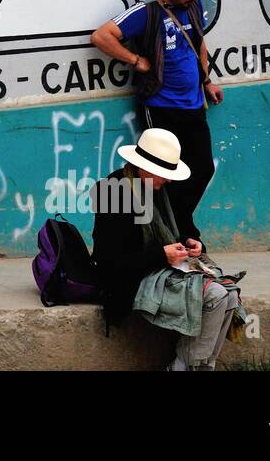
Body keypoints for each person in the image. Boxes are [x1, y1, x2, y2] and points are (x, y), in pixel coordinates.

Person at [90, 0, 222, 242]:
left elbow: (198, 42)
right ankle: (176, 233)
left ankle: (175, 225)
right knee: (161, 172)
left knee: (201, 169)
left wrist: (207, 80)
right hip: (161, 107)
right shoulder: (146, 13)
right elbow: (101, 36)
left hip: (194, 105)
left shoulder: (193, 7)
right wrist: (136, 60)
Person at [92, 128, 244, 371]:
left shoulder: (163, 189)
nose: (169, 179)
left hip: (166, 269)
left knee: (230, 293)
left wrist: (194, 243)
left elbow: (186, 228)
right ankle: (184, 366)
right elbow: (109, 262)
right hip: (132, 279)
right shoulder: (112, 192)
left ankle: (201, 365)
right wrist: (161, 255)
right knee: (214, 296)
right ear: (144, 167)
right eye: (164, 173)